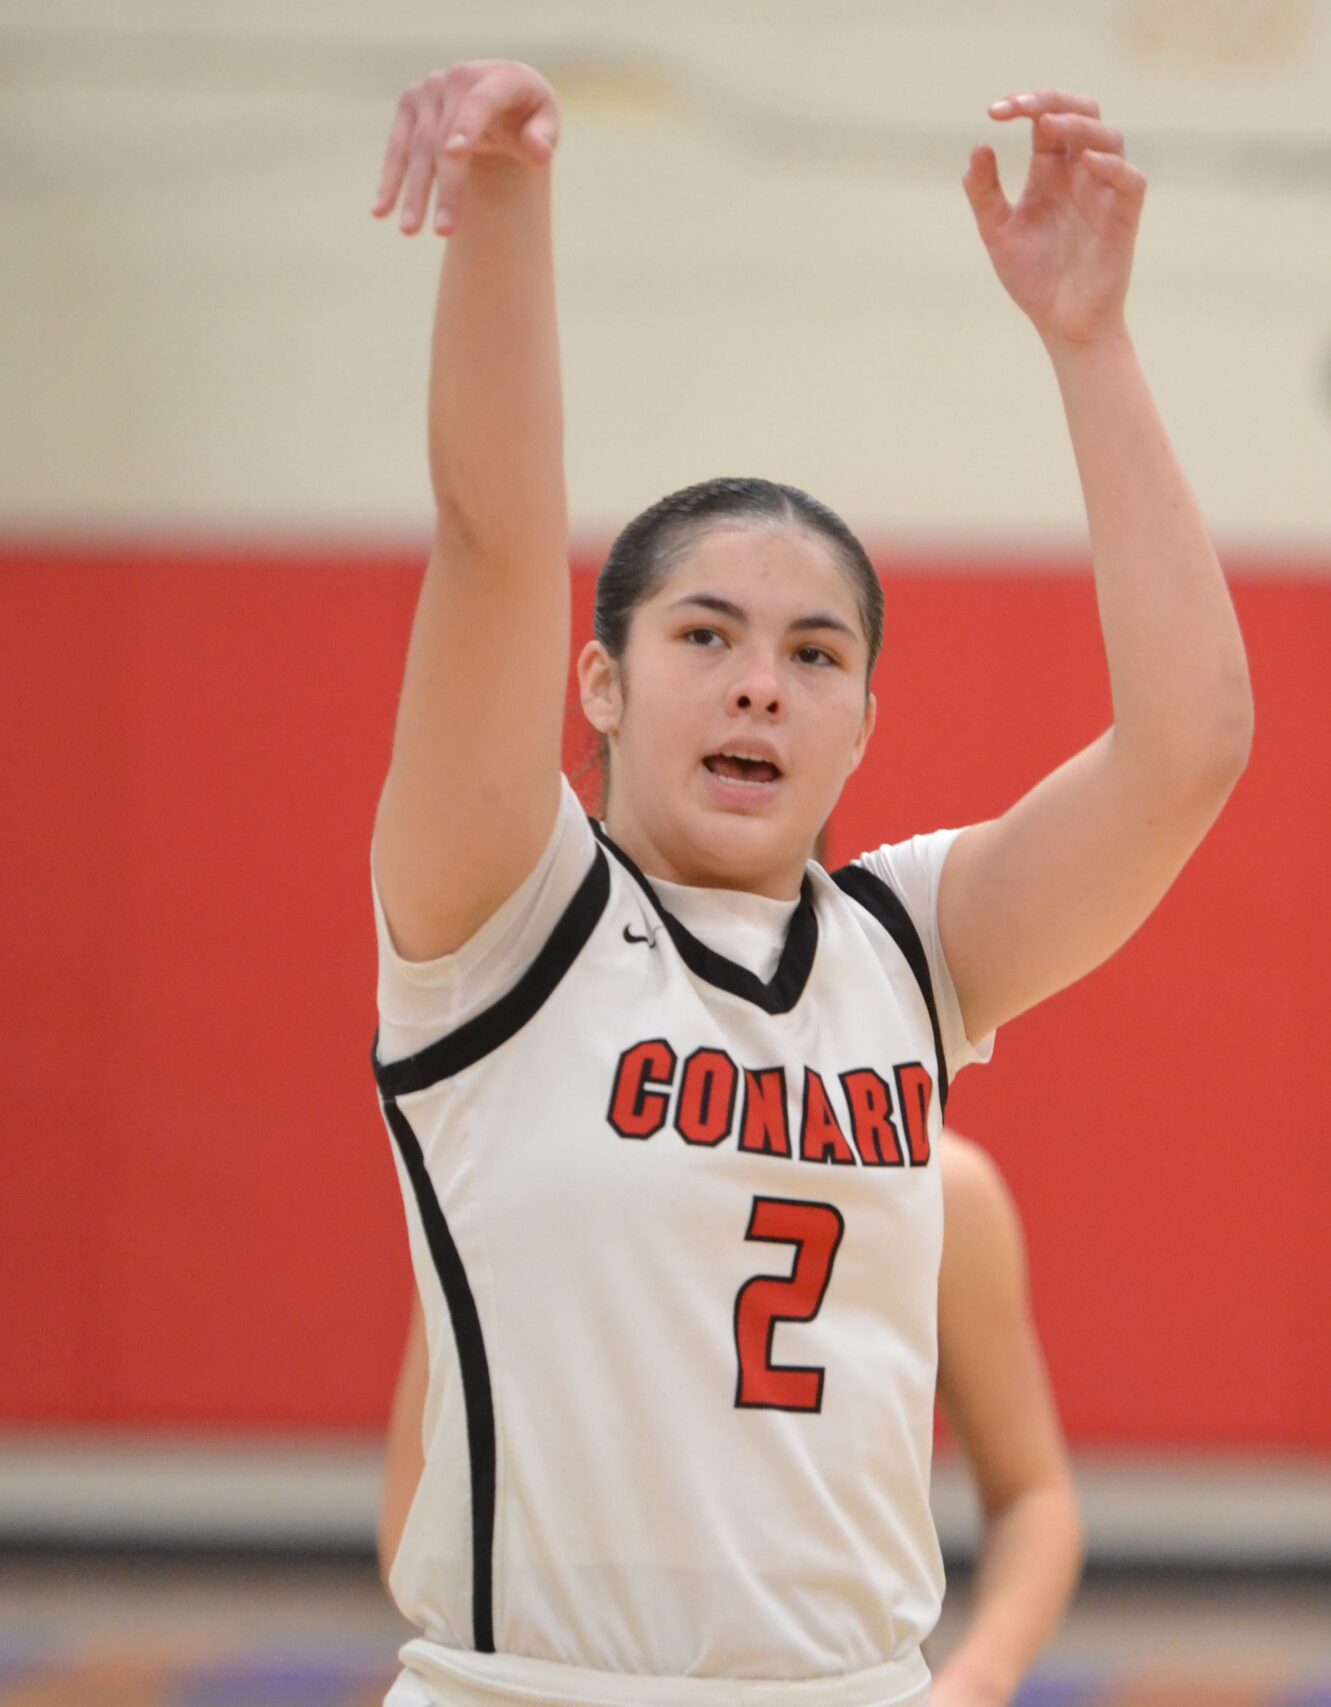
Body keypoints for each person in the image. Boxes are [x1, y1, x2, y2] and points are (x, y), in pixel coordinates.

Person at [365, 56, 1248, 1707]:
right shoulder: (504, 920)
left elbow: (1187, 749)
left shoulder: (911, 952)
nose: (761, 682)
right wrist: (505, 198)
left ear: (861, 725)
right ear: (601, 685)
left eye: (814, 651)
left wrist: (1093, 341)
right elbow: (493, 537)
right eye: (705, 635)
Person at [380, 1131, 1083, 1706]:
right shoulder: (524, 1158)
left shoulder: (942, 1186)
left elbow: (1033, 1495)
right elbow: (417, 1519)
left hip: (840, 1681)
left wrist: (976, 1681)